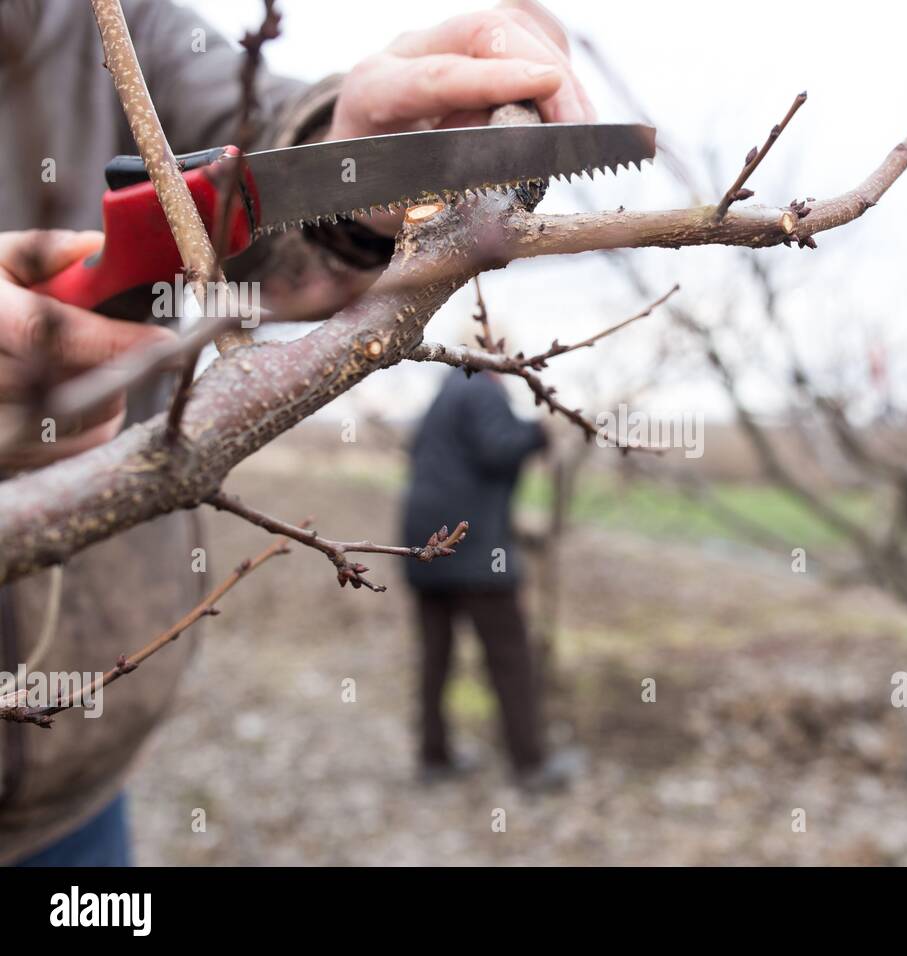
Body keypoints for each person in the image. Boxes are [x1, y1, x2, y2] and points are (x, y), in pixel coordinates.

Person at [0, 0, 593, 865]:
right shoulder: (481, 394)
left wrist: (354, 175)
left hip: (74, 795)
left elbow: (259, 144)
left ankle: (440, 753)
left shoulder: (104, 17)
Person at [402, 369, 568, 792]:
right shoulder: (482, 387)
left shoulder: (442, 397)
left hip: (424, 546)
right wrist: (540, 433)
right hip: (475, 551)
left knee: (435, 656)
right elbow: (498, 449)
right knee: (510, 656)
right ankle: (530, 765)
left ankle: (433, 757)